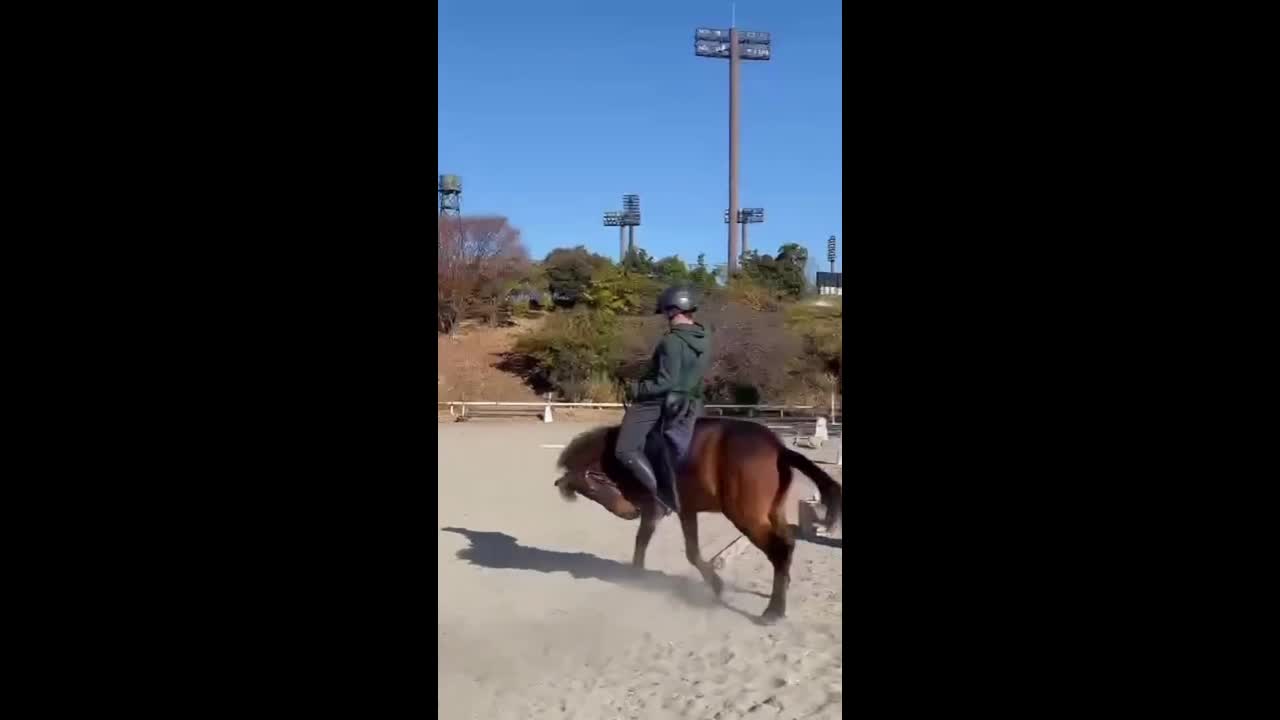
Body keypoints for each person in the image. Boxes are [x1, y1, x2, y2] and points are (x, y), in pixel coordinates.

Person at [616, 286, 712, 514]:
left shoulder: (671, 341)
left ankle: (662, 497)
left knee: (625, 450)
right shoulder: (705, 337)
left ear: (673, 310)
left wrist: (636, 388)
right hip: (692, 402)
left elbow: (665, 382)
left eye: (666, 312)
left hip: (662, 401)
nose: (665, 317)